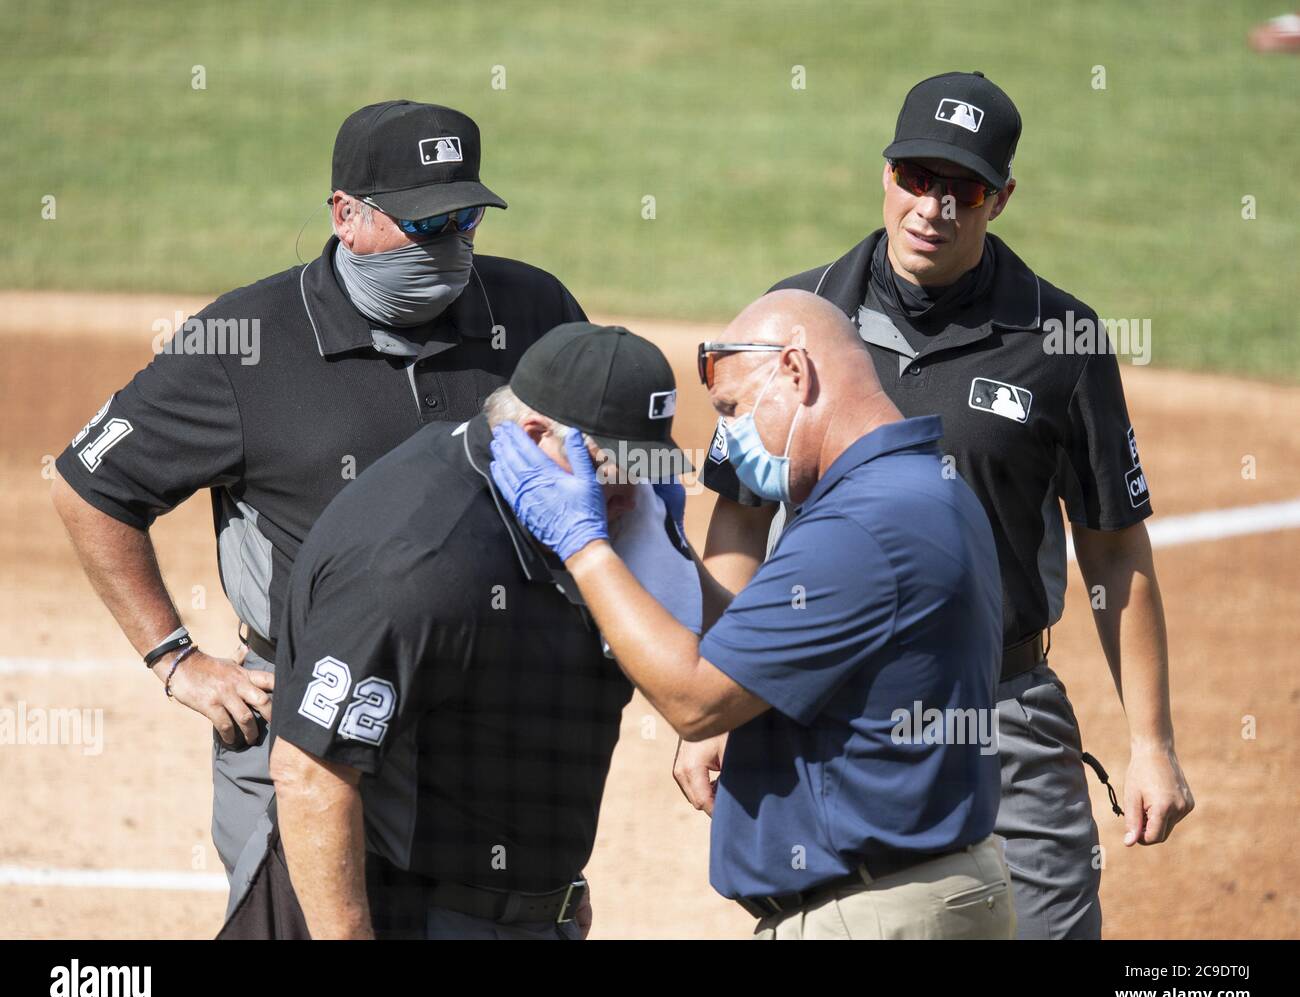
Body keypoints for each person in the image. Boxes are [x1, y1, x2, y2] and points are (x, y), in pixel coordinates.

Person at [684, 71, 1194, 939]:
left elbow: (1112, 547)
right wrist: (716, 704)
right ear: (886, 175)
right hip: (834, 710)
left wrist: (1151, 744)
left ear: (1001, 198)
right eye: (917, 178)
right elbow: (735, 516)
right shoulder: (801, 318)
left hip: (1004, 704)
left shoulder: (1060, 340)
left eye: (964, 188)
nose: (934, 207)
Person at [50, 100, 587, 915]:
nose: (450, 241)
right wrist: (175, 658)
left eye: (465, 216)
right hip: (310, 716)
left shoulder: (536, 311)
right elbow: (88, 482)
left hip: (491, 714)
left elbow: (607, 479)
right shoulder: (246, 341)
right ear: (347, 215)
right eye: (423, 220)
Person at [491, 292, 1016, 940]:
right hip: (920, 893)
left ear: (796, 372)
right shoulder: (918, 487)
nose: (730, 439)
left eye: (733, 410)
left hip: (872, 914)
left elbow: (694, 700)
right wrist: (676, 551)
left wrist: (582, 542)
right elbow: (770, 634)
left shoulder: (859, 527)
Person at [266, 324, 699, 939]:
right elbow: (311, 772)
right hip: (423, 920)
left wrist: (547, 891)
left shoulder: (579, 514)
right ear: (532, 437)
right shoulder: (421, 564)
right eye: (618, 466)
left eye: (647, 464)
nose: (635, 492)